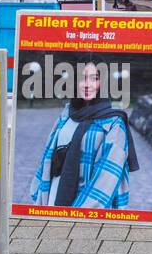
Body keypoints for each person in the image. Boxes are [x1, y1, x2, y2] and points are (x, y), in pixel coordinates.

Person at [29, 60, 139, 209]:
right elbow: (47, 157)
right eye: (82, 78)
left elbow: (107, 177)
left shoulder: (113, 123)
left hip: (90, 205)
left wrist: (79, 212)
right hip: (55, 197)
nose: (88, 84)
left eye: (94, 78)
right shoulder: (67, 113)